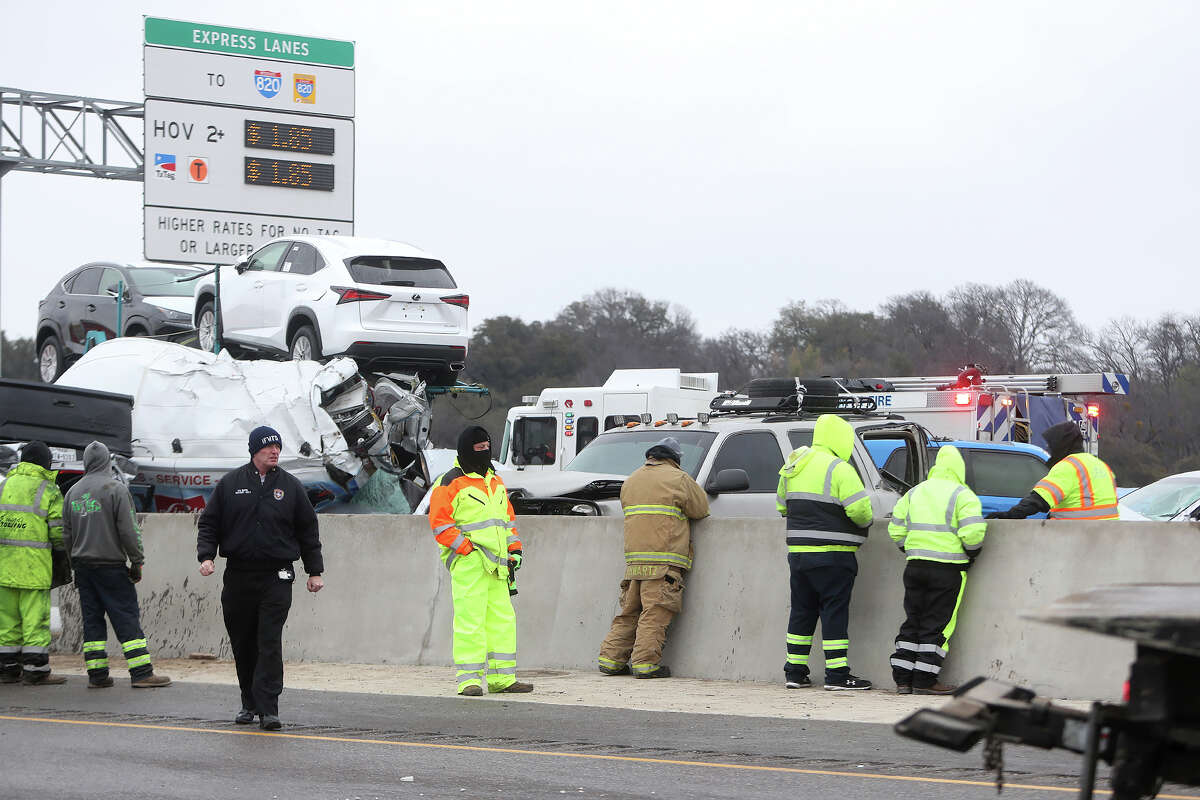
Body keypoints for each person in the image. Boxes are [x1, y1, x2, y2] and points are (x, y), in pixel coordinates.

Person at [197, 426, 324, 730]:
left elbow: (308, 530)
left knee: (268, 640)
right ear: (254, 450)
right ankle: (248, 703)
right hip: (239, 575)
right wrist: (206, 556)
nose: (274, 452)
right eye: (268, 447)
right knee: (243, 642)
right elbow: (209, 523)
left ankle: (269, 709)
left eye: (278, 447)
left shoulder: (291, 487)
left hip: (276, 575)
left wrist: (314, 570)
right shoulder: (231, 484)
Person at [428, 426, 531, 696]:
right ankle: (469, 680)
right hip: (470, 564)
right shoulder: (449, 482)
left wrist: (515, 551)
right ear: (466, 451)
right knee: (470, 621)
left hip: (499, 565)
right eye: (479, 449)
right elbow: (440, 523)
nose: (485, 453)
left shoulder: (495, 481)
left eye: (488, 447)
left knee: (502, 620)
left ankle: (502, 679)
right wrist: (467, 550)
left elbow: (507, 521)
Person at [597, 436, 709, 678]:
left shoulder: (631, 480)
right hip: (664, 561)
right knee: (655, 613)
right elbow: (701, 509)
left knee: (628, 612)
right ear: (675, 459)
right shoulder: (678, 479)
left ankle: (610, 659)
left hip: (634, 562)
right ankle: (645, 664)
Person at [777, 414, 874, 691]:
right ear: (841, 438)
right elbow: (860, 511)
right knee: (834, 612)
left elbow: (782, 506)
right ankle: (837, 676)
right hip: (834, 556)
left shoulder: (794, 465)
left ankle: (794, 673)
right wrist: (864, 523)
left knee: (801, 611)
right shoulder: (840, 469)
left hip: (798, 555)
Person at [63, 441, 171, 689]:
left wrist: (74, 563)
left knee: (92, 621)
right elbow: (129, 531)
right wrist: (137, 561)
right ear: (106, 462)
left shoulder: (72, 492)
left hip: (83, 567)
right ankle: (142, 672)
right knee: (126, 616)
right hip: (110, 566)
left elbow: (66, 535)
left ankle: (97, 675)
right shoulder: (116, 489)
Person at [887, 445, 986, 695]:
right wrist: (971, 553)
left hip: (915, 566)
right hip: (947, 570)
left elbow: (896, 530)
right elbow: (973, 534)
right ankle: (925, 680)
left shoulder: (914, 493)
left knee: (913, 620)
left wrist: (910, 550)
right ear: (959, 468)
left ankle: (902, 679)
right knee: (937, 624)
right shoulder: (962, 495)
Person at [0, 441, 70, 685]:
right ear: (45, 462)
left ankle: (7, 670)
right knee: (35, 622)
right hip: (33, 568)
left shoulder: (4, 485)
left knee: (7, 622)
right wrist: (63, 555)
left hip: (4, 568)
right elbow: (58, 532)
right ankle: (36, 671)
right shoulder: (47, 489)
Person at [986, 421, 1118, 521]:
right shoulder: (1101, 466)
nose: (1049, 448)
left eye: (1051, 444)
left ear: (1061, 445)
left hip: (1076, 536)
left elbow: (1038, 499)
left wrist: (1010, 515)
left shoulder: (1068, 466)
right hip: (1107, 539)